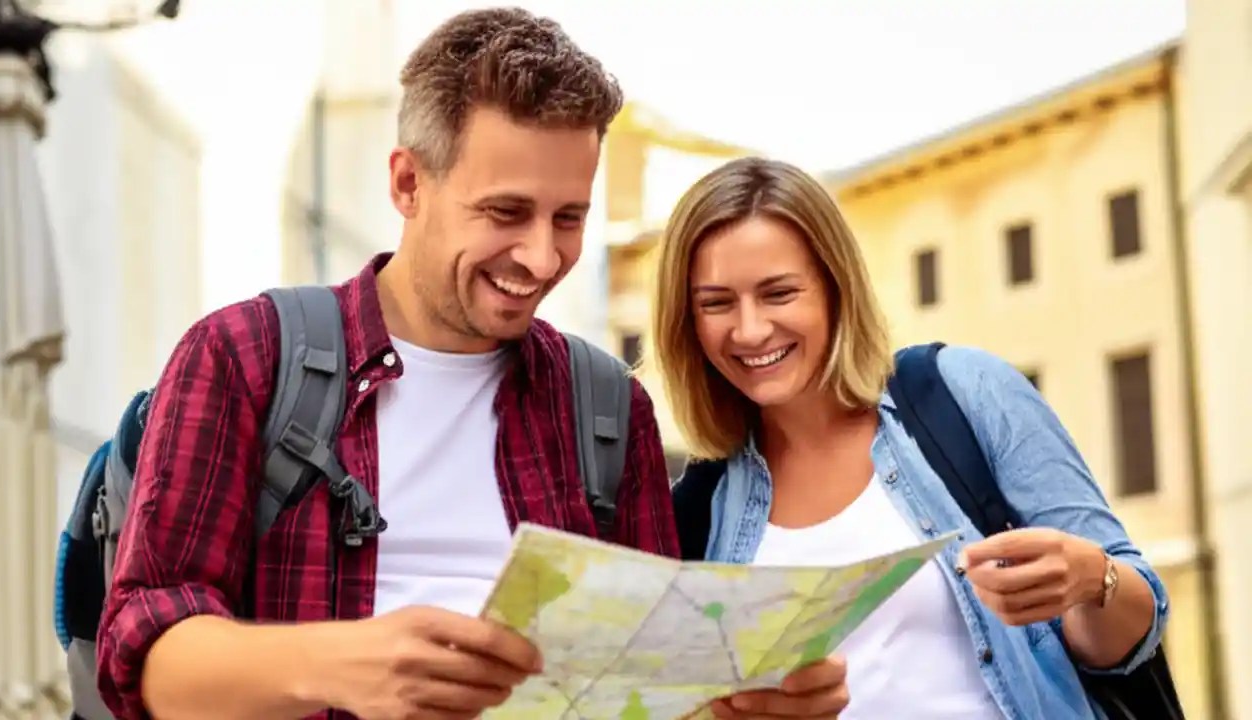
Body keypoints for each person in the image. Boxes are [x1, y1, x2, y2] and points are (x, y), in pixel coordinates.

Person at [95, 9, 846, 720]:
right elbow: (145, 661)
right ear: (408, 184)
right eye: (505, 213)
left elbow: (647, 690)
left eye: (568, 218)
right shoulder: (244, 356)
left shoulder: (607, 407)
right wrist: (341, 664)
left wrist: (744, 705)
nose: (542, 257)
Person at [651, 157, 1170, 719]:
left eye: (779, 293)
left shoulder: (966, 392)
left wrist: (1092, 579)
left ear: (834, 288)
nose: (750, 330)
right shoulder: (696, 514)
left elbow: (1130, 638)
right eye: (716, 303)